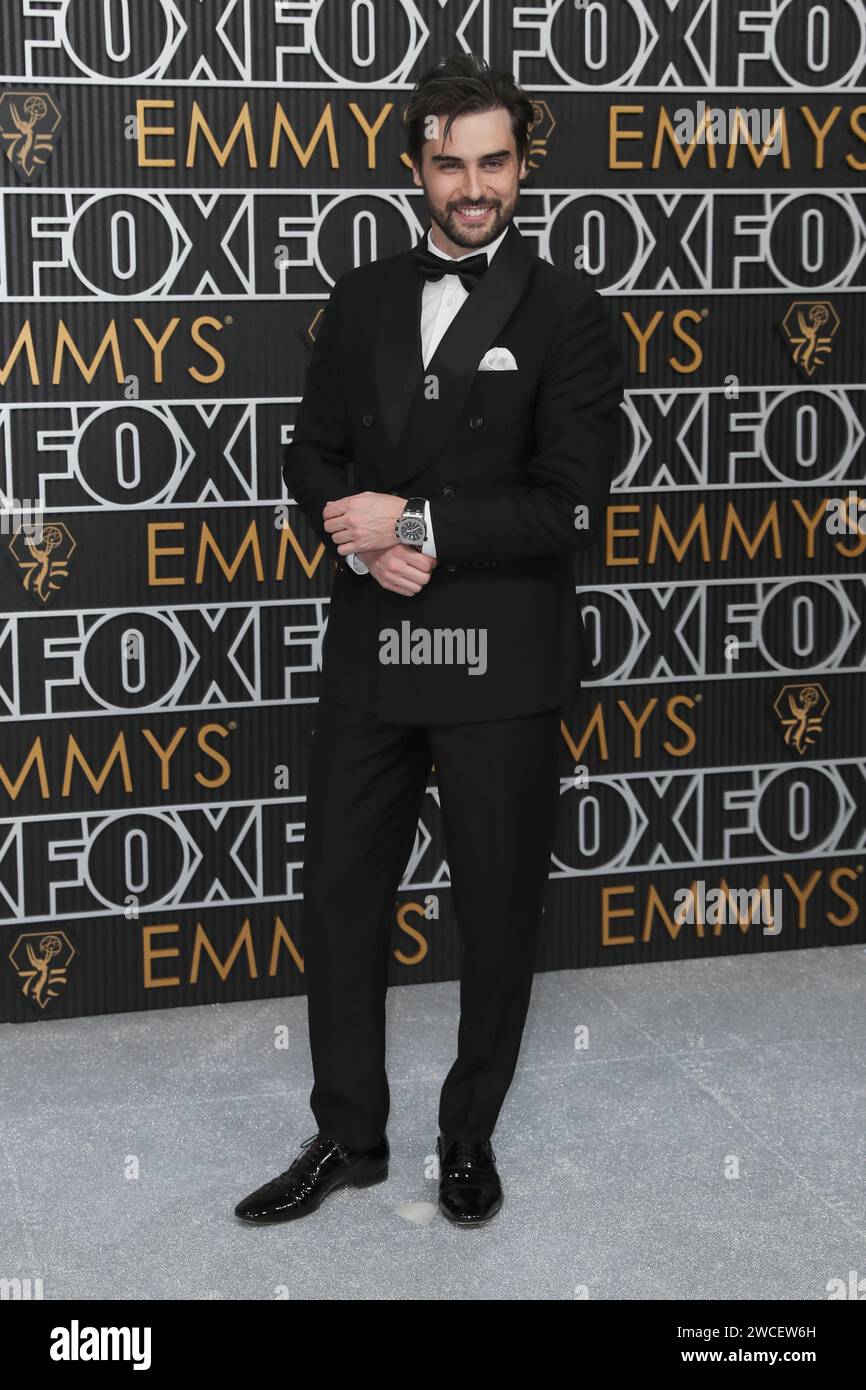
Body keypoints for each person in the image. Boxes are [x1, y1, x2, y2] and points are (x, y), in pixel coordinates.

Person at [235, 52, 623, 1227]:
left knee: (494, 909)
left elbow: (567, 502)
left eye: (493, 162)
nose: (472, 186)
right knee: (341, 899)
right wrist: (356, 543)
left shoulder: (569, 315)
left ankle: (466, 1137)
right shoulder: (357, 298)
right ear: (415, 167)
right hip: (372, 655)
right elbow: (310, 457)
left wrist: (412, 523)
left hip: (500, 665)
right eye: (449, 163)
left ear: (519, 167)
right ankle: (347, 1135)